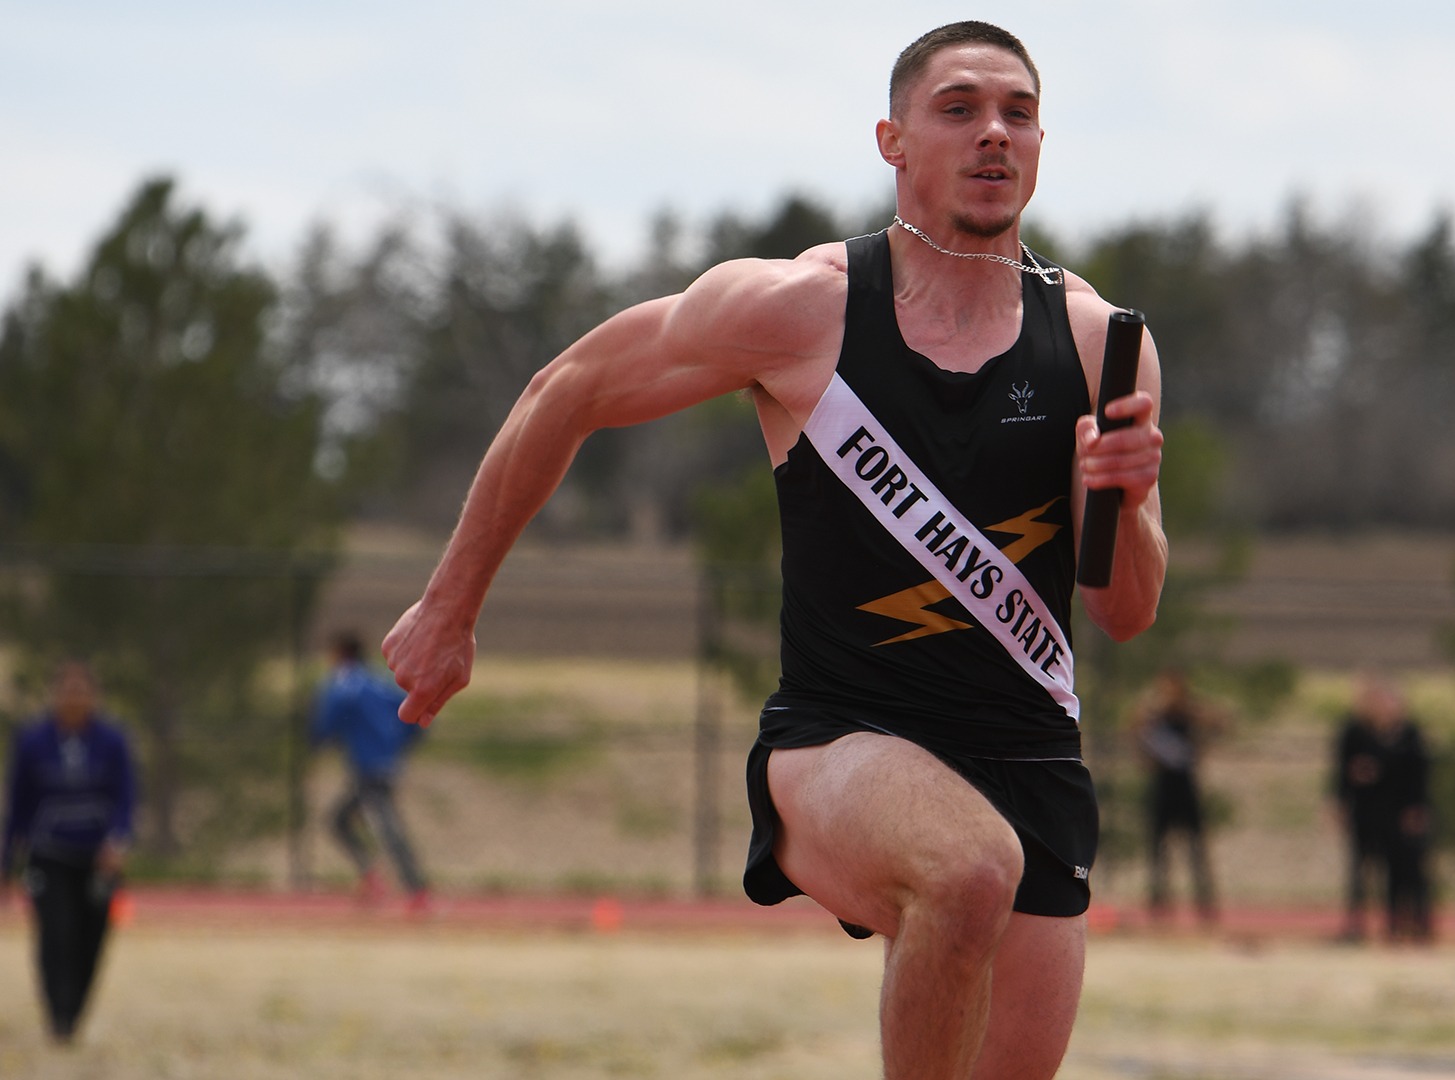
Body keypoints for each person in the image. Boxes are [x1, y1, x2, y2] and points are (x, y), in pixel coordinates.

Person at [380, 21, 1165, 1079]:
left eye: (1017, 114)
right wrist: (449, 608)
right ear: (892, 140)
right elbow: (567, 389)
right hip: (842, 747)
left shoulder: (1094, 340)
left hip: (1033, 758)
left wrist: (1126, 500)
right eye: (961, 109)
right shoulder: (802, 311)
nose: (994, 134)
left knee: (992, 928)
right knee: (967, 869)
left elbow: (1124, 610)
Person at [1, 660, 138, 1044]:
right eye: (67, 690)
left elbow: (125, 796)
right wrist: (7, 859)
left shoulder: (112, 741)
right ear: (54, 694)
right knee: (55, 933)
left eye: (82, 690)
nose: (75, 698)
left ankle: (75, 1010)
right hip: (49, 854)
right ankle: (58, 1015)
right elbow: (19, 805)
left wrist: (118, 839)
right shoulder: (32, 741)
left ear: (95, 696)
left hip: (97, 857)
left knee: (91, 935)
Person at [311, 629, 430, 911]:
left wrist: (319, 739)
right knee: (341, 821)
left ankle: (417, 891)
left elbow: (326, 720)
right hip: (388, 764)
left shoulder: (344, 682)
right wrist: (399, 747)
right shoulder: (382, 682)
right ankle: (374, 877)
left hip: (368, 767)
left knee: (387, 829)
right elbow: (415, 716)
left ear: (339, 653)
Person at [1329, 674, 1432, 943]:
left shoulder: (1408, 734)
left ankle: (1402, 925)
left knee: (1399, 870)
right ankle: (1356, 925)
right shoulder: (1354, 731)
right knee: (1359, 869)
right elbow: (1341, 771)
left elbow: (1417, 774)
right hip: (1364, 811)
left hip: (1396, 812)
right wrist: (1340, 800)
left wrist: (1416, 808)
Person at [1133, 668, 1223, 924]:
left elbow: (1220, 723)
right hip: (1162, 787)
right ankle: (1159, 905)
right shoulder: (1154, 718)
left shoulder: (1189, 714)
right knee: (1158, 850)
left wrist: (1200, 717)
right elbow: (1136, 734)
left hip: (1186, 787)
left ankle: (1205, 906)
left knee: (1196, 849)